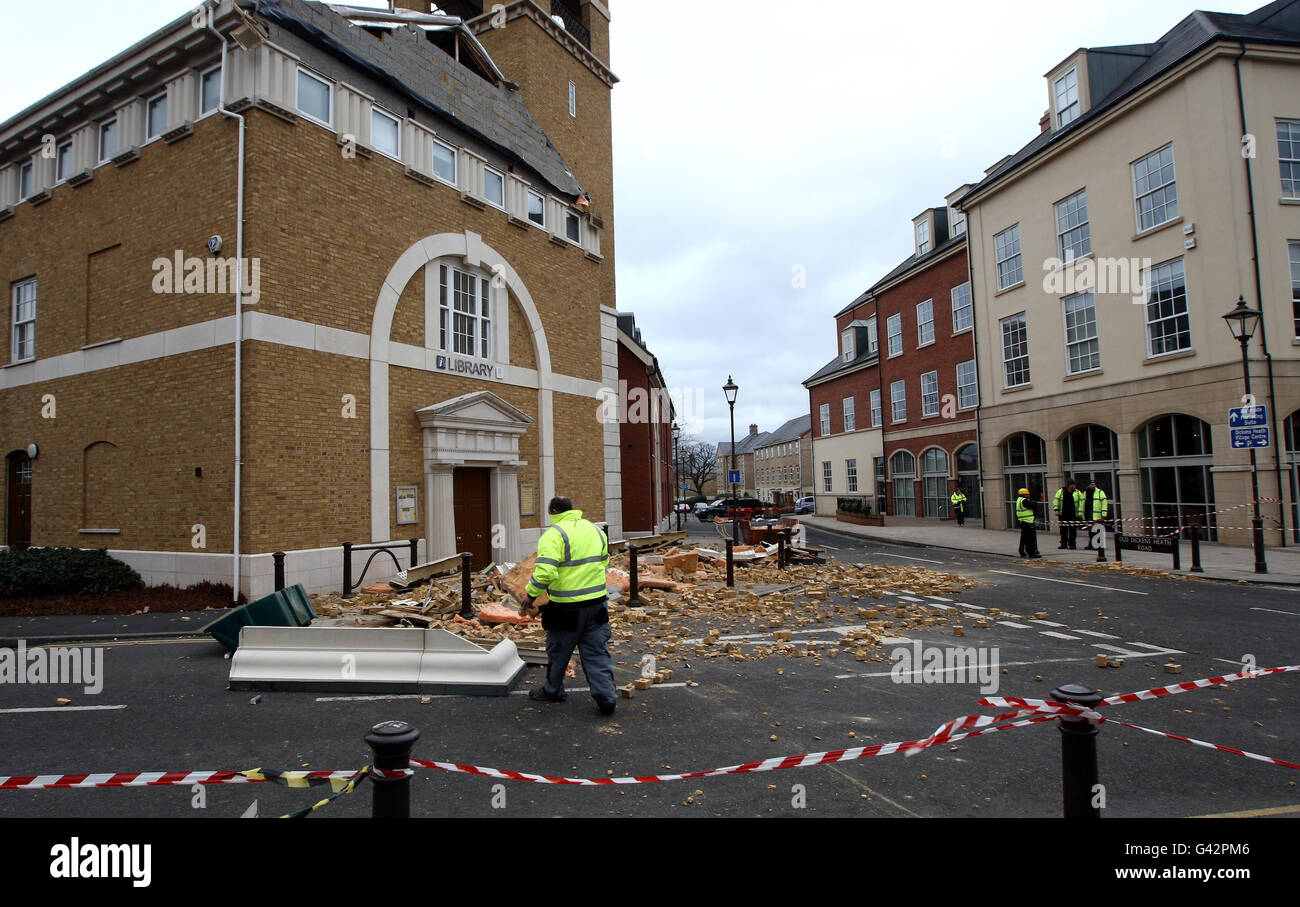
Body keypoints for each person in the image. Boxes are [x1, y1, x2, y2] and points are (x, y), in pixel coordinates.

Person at [520, 496, 617, 715]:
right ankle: (607, 698)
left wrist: (531, 596)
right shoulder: (596, 531)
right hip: (597, 605)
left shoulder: (554, 535)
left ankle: (553, 690)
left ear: (553, 511)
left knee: (558, 651)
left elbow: (546, 572)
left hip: (566, 608)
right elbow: (603, 562)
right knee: (596, 653)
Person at [1053, 480, 1084, 549]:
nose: (1073, 486)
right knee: (1063, 530)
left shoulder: (1078, 492)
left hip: (1073, 514)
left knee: (1073, 530)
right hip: (1063, 514)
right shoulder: (1061, 491)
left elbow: (1081, 503)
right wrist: (1056, 509)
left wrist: (1080, 513)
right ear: (1068, 485)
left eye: (1074, 484)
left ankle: (1072, 544)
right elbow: (1056, 500)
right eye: (1071, 485)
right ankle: (1063, 544)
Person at [1015, 487, 1041, 558]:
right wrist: (1035, 502)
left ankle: (1022, 552)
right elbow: (1034, 505)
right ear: (1023, 495)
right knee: (1030, 539)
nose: (1028, 496)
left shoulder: (1019, 500)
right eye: (1027, 494)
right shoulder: (1024, 501)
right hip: (1028, 522)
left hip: (1023, 522)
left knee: (1023, 538)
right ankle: (1031, 553)